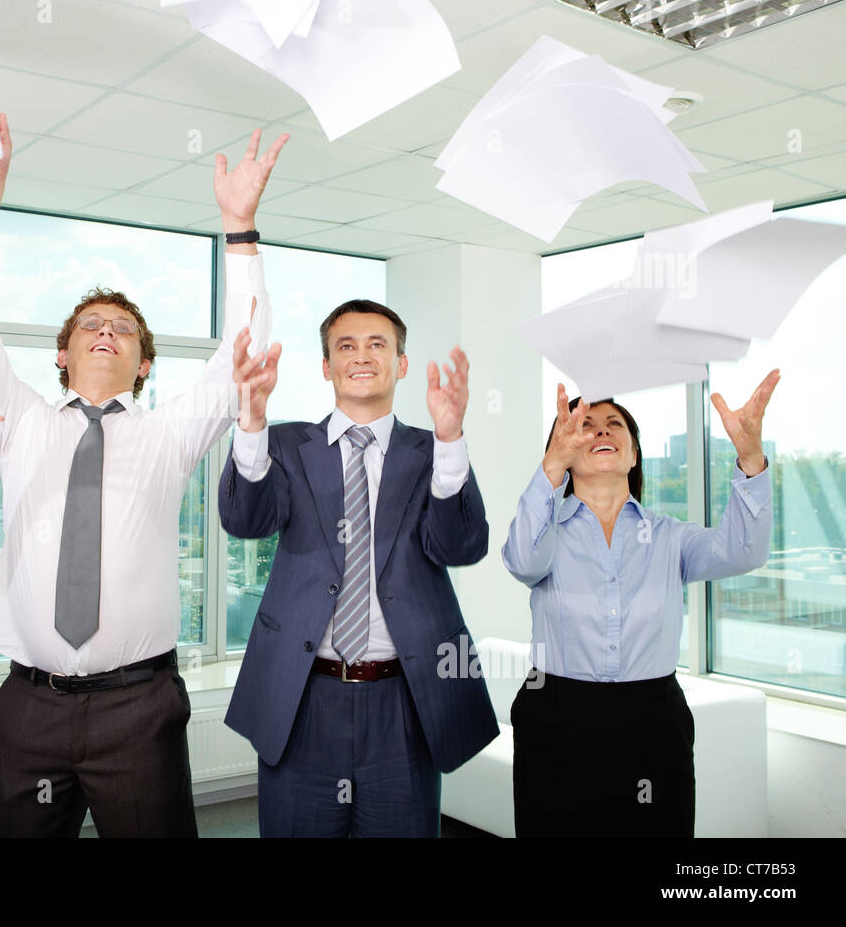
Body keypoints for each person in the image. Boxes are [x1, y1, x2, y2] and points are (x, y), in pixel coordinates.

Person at [0, 113, 289, 837]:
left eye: (124, 329)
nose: (106, 332)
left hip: (139, 710)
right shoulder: (21, 421)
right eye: (89, 327)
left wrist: (240, 227)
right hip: (32, 707)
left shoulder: (169, 435)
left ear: (145, 363)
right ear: (63, 356)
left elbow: (243, 347)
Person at [218, 299, 499, 837]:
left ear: (402, 363)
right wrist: (251, 421)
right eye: (346, 346)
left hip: (404, 699)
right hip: (302, 698)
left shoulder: (434, 449)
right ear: (327, 367)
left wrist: (450, 437)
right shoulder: (285, 445)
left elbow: (460, 547)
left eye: (378, 344)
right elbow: (247, 521)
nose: (362, 355)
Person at [502, 374, 779, 837]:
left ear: (633, 454)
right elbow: (522, 561)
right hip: (556, 715)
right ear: (567, 452)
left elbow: (743, 552)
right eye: (586, 425)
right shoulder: (545, 533)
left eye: (615, 425)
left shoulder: (672, 536)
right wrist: (550, 465)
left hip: (653, 720)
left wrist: (750, 459)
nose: (602, 431)